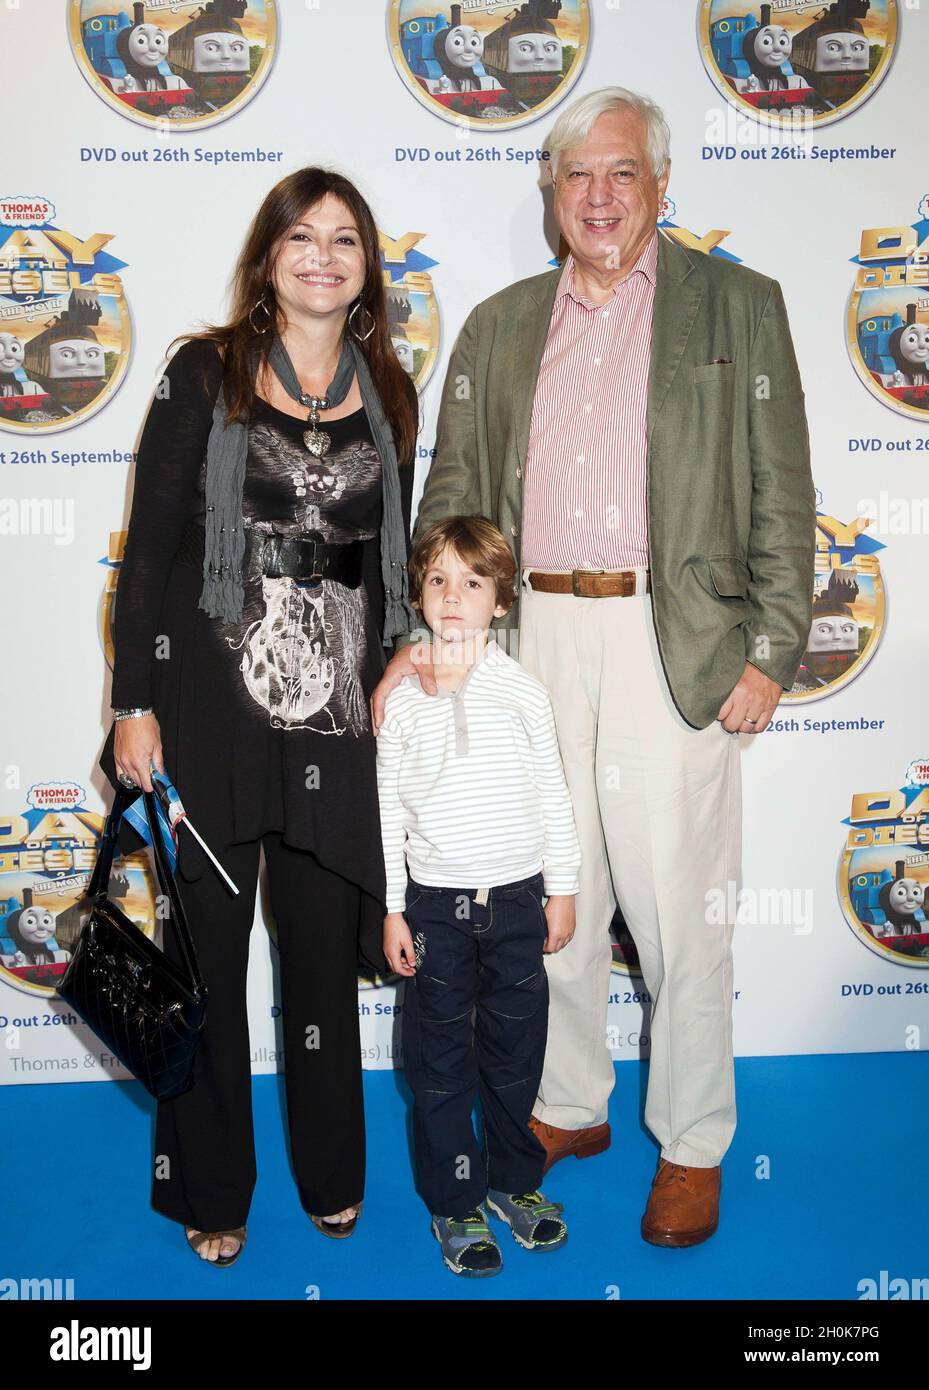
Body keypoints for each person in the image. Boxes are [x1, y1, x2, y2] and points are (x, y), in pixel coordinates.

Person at [372, 87, 815, 1247]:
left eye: (622, 173)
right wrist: (443, 636)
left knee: (681, 917)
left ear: (661, 187)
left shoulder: (739, 306)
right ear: (550, 193)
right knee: (539, 896)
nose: (600, 196)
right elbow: (452, 495)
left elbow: (783, 494)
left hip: (673, 640)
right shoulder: (499, 323)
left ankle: (692, 1141)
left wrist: (771, 647)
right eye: (578, 175)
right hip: (524, 645)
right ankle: (568, 1104)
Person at [101, 167, 418, 1265]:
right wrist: (132, 701)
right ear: (266, 256)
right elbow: (149, 550)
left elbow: (392, 560)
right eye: (302, 237)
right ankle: (211, 1187)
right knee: (213, 959)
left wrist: (407, 663)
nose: (323, 255)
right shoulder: (205, 371)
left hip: (338, 718)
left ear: (366, 265)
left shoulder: (391, 387)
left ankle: (332, 1172)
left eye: (344, 239)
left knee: (322, 960)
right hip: (208, 709)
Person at [376, 515, 581, 1277]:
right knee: (438, 1064)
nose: (452, 597)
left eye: (472, 582)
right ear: (418, 594)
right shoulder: (402, 697)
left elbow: (554, 799)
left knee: (514, 1056)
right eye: (437, 580)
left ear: (501, 601)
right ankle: (455, 1201)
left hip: (520, 902)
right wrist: (392, 907)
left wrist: (561, 891)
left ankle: (514, 1186)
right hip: (434, 910)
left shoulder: (524, 693)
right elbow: (387, 809)